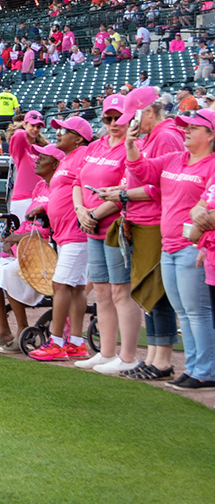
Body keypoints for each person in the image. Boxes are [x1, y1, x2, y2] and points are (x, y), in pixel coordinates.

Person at [132, 108, 215, 389]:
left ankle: (204, 370)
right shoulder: (175, 159)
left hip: (194, 245)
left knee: (197, 311)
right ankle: (193, 367)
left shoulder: (212, 165)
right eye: (185, 126)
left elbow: (207, 208)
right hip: (168, 245)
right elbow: (142, 171)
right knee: (183, 309)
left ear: (210, 134)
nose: (187, 130)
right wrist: (132, 146)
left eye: (194, 127)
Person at [100, 98, 183, 380]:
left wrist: (122, 195)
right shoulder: (151, 137)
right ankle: (153, 358)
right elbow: (142, 176)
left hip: (155, 222)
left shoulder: (168, 136)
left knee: (156, 292)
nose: (124, 123)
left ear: (148, 111)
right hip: (140, 219)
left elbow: (163, 188)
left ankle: (162, 360)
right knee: (148, 292)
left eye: (132, 115)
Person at [71, 95, 140, 373]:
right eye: (108, 118)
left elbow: (126, 189)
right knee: (100, 290)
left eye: (119, 118)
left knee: (121, 291)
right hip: (92, 225)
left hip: (115, 227)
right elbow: (78, 182)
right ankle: (107, 352)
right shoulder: (96, 146)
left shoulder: (131, 148)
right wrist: (80, 211)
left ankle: (128, 357)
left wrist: (93, 214)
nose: (113, 123)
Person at [0, 144, 63, 351]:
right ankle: (4, 332)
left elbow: (53, 228)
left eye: (43, 158)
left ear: (55, 164)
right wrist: (12, 238)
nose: (37, 160)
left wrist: (20, 237)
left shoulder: (61, 190)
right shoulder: (40, 187)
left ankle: (22, 328)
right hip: (26, 248)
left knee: (7, 272)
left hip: (46, 252)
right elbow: (28, 222)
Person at [28, 117, 94, 361]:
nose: (58, 133)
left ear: (78, 138)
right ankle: (75, 342)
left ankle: (56, 342)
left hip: (77, 231)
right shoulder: (69, 158)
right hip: (66, 232)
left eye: (64, 130)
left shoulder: (85, 154)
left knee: (61, 285)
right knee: (76, 287)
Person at [7, 111, 47, 221]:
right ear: (25, 124)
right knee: (20, 235)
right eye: (32, 125)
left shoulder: (42, 147)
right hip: (23, 197)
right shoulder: (20, 147)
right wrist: (22, 128)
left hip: (41, 197)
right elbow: (19, 135)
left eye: (38, 127)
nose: (35, 129)